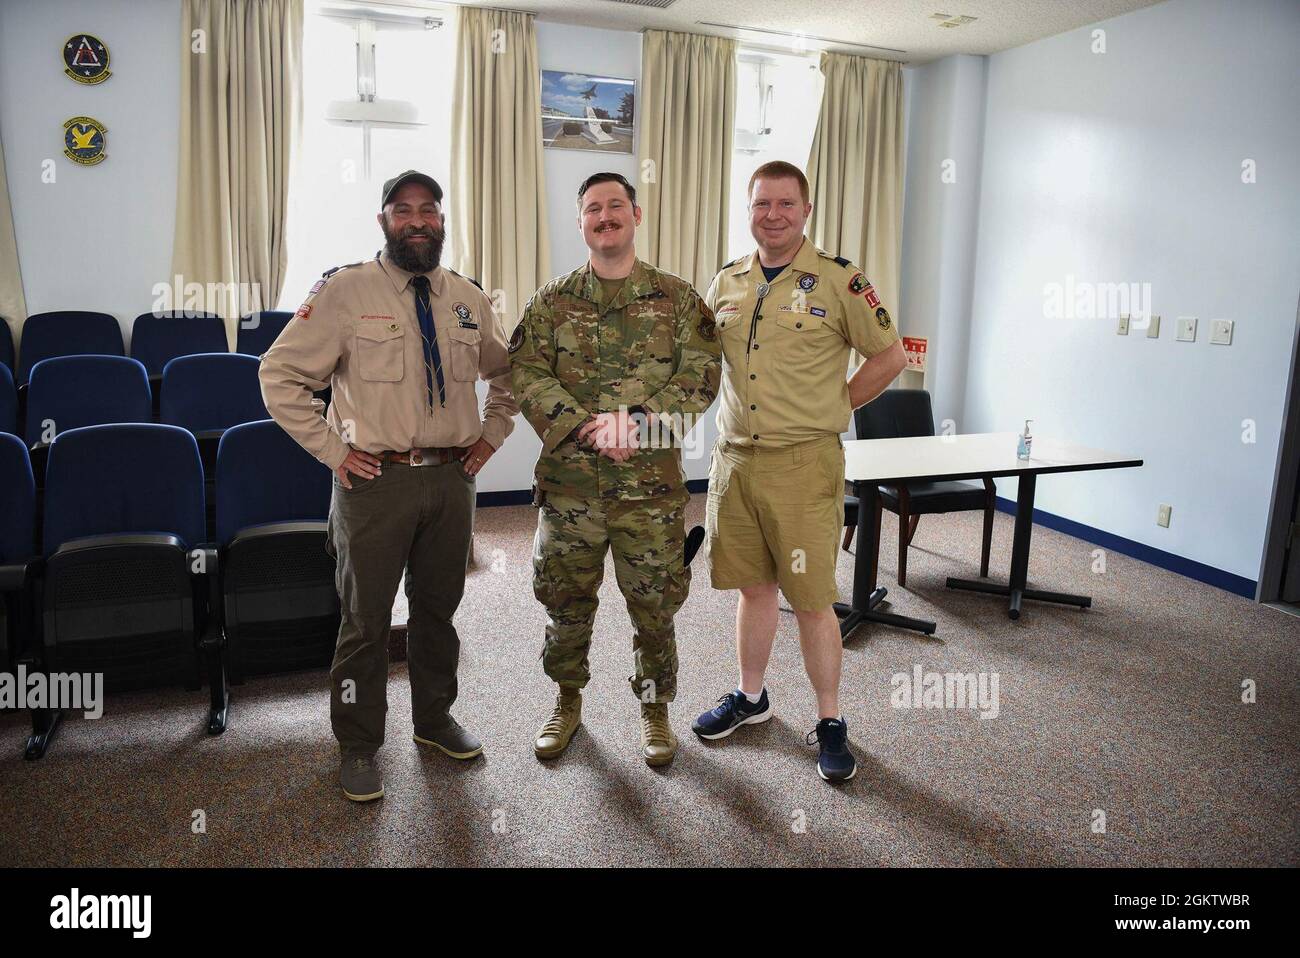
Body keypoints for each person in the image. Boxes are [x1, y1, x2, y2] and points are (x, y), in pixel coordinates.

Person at [259, 170, 519, 802]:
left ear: (442, 220)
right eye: (403, 210)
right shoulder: (346, 291)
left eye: (428, 209)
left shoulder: (466, 298)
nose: (418, 220)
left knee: (438, 612)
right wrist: (333, 452)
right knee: (365, 622)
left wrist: (492, 434)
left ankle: (433, 720)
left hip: (451, 481)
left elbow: (509, 373)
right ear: (383, 221)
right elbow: (280, 374)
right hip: (375, 484)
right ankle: (357, 743)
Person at [691, 160, 906, 782]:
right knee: (754, 588)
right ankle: (751, 697)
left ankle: (831, 719)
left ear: (805, 210)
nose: (773, 215)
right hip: (735, 463)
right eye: (762, 204)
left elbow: (889, 355)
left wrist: (837, 405)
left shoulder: (840, 280)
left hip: (803, 464)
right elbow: (704, 368)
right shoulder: (727, 281)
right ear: (750, 209)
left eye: (786, 204)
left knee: (811, 600)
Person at [510, 172, 721, 767]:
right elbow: (526, 372)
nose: (606, 217)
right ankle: (567, 700)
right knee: (566, 600)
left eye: (616, 206)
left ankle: (654, 709)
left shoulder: (678, 299)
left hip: (648, 492)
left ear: (637, 215)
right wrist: (586, 425)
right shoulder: (550, 302)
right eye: (593, 209)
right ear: (581, 222)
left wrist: (640, 423)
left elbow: (702, 373)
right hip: (571, 487)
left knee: (654, 606)